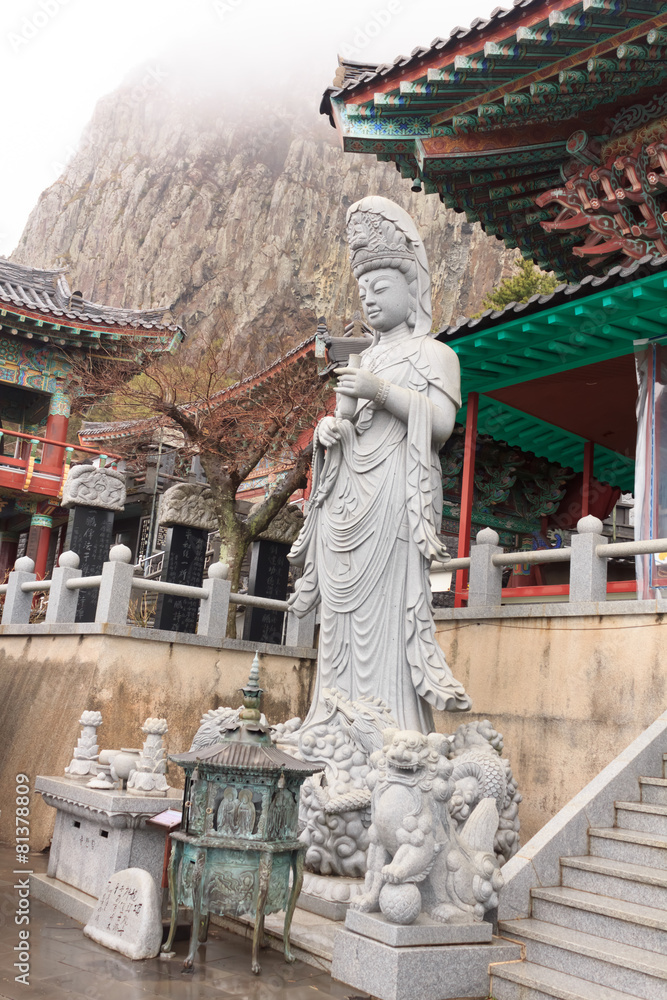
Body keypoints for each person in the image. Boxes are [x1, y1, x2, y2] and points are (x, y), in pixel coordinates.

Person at [288, 197, 470, 733]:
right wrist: (328, 433)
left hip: (396, 491)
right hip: (351, 497)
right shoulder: (362, 356)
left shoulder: (437, 355)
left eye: (381, 288)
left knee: (388, 609)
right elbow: (347, 423)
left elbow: (438, 425)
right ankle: (333, 716)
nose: (369, 299)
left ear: (412, 292)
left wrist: (381, 390)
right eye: (363, 290)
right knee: (341, 614)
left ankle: (390, 724)